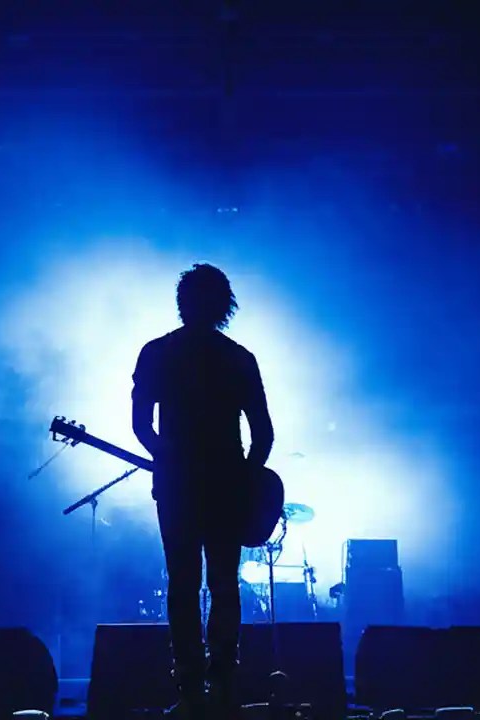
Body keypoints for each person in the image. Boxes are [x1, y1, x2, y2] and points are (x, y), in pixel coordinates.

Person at [132, 263, 274, 719]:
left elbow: (140, 425)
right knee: (223, 583)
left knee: (183, 584)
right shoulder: (239, 358)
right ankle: (224, 684)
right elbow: (264, 435)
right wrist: (245, 478)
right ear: (224, 306)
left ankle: (191, 690)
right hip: (226, 490)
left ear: (183, 303)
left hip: (177, 489)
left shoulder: (156, 353)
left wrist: (167, 457)